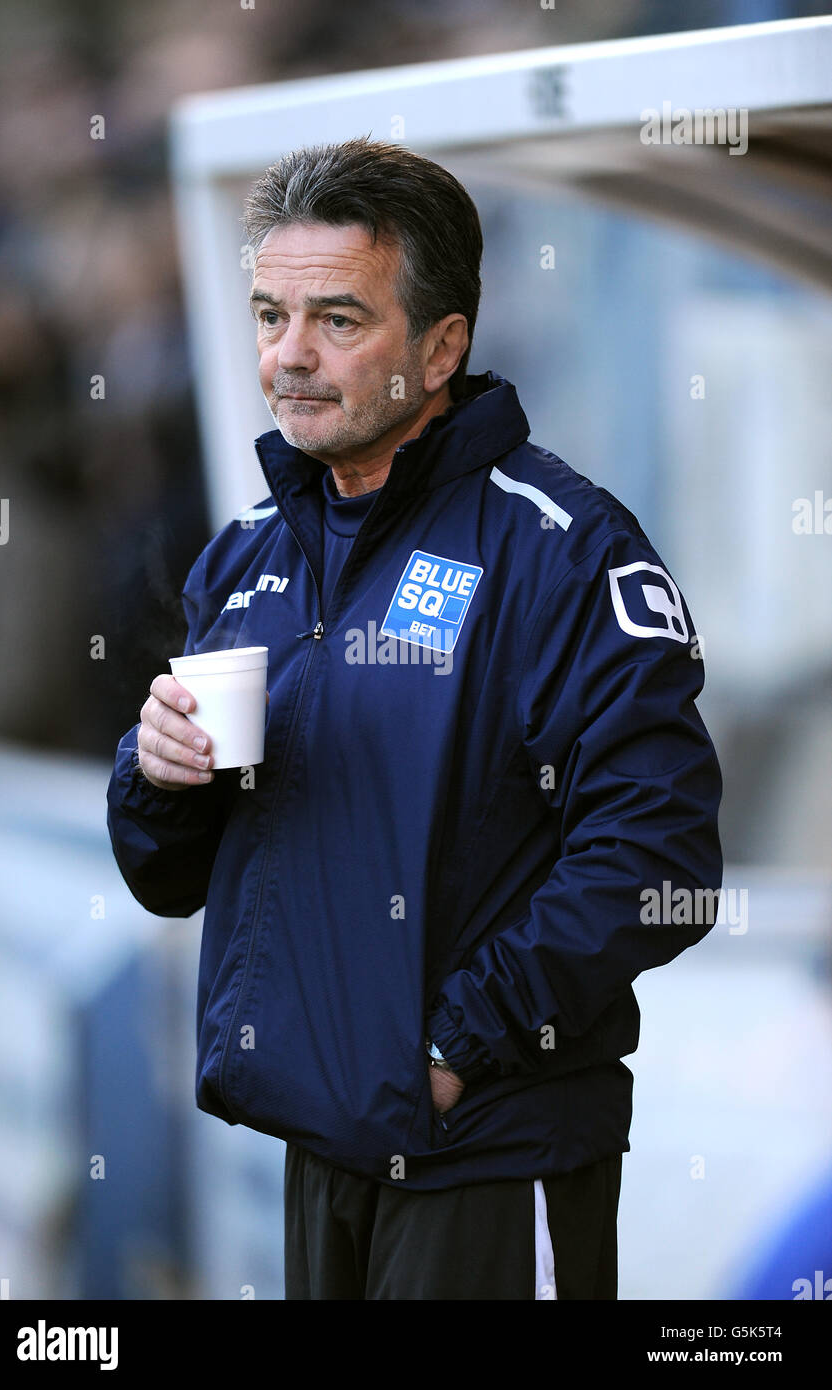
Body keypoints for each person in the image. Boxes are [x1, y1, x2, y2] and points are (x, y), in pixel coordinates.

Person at [106, 136, 723, 1301]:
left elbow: (661, 857)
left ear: (442, 347)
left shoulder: (562, 549)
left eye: (338, 320)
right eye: (268, 315)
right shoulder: (246, 555)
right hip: (320, 1141)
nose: (289, 357)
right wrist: (157, 771)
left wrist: (454, 1046)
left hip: (492, 1152)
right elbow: (168, 875)